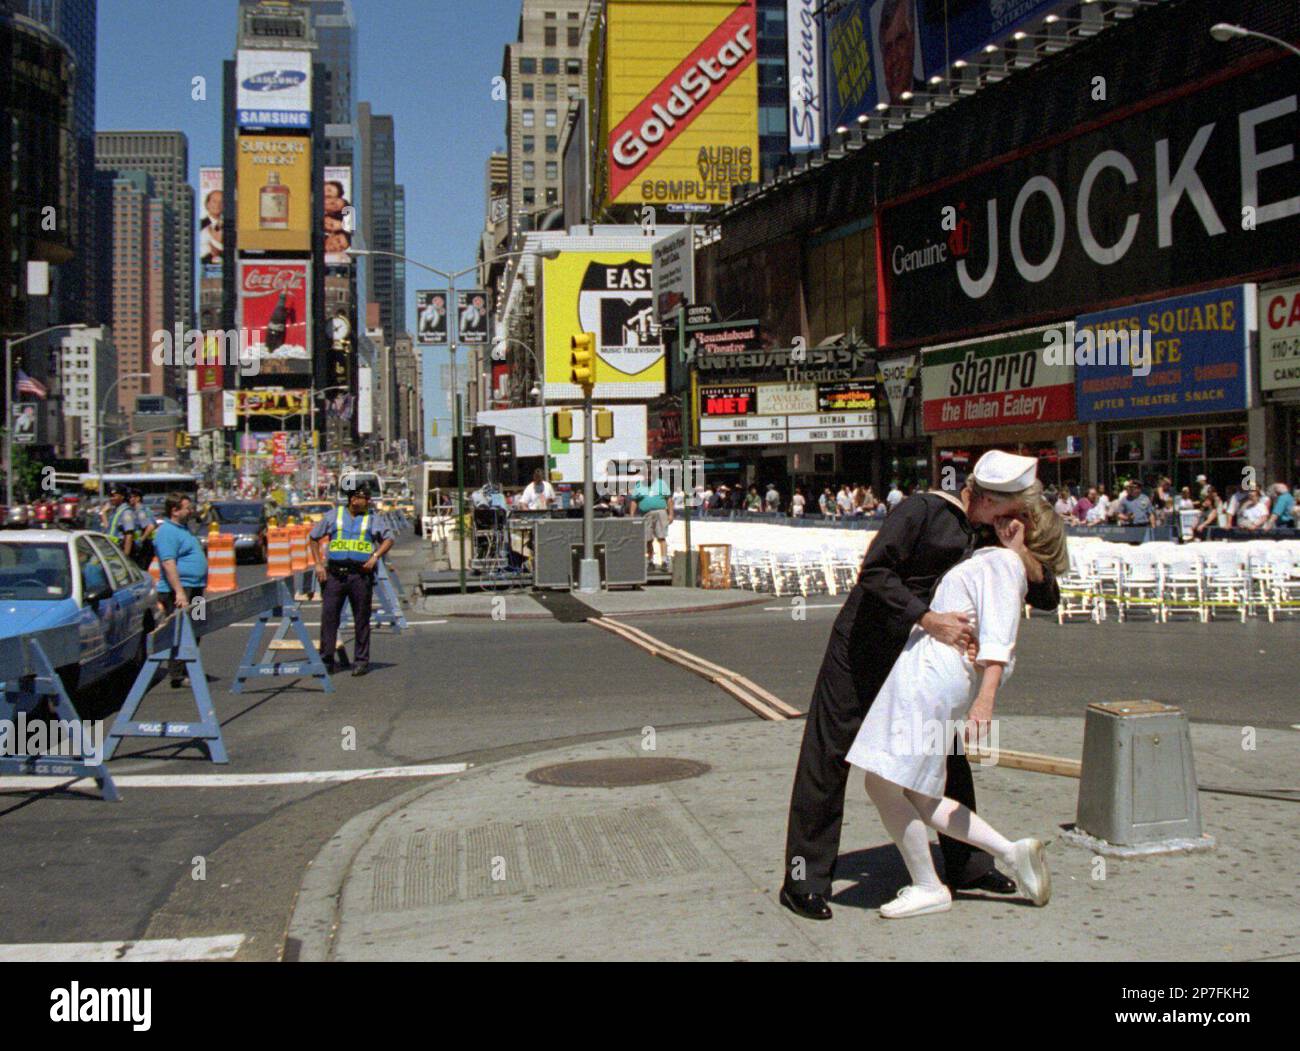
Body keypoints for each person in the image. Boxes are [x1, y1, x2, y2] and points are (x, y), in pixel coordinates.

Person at [781, 451, 1061, 922]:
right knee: (828, 758)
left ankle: (969, 866)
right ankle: (804, 878)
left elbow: (1046, 595)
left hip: (921, 665)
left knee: (950, 760)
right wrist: (928, 619)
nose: (1010, 519)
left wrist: (1020, 550)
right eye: (1005, 510)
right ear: (985, 496)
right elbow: (874, 573)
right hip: (864, 650)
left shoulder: (991, 532)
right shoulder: (920, 510)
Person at [846, 500, 1065, 918]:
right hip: (930, 675)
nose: (1005, 517)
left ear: (1029, 532)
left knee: (883, 784)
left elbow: (1000, 639)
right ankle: (1011, 852)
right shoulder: (997, 560)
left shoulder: (1003, 563)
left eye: (1017, 517)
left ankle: (929, 884)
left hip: (930, 678)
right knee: (918, 793)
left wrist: (985, 702)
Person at [310, 484, 394, 678]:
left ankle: (361, 661)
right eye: (365, 499)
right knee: (329, 618)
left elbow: (388, 539)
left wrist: (375, 556)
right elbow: (314, 537)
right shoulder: (334, 516)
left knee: (361, 619)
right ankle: (326, 660)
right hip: (335, 575)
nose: (368, 502)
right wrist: (318, 564)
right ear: (353, 499)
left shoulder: (372, 519)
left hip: (360, 576)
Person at [154, 493, 209, 690]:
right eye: (187, 507)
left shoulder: (184, 529)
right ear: (174, 510)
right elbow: (169, 563)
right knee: (181, 631)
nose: (191, 510)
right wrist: (179, 592)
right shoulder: (167, 532)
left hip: (196, 588)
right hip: (180, 591)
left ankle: (190, 668)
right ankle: (177, 674)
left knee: (198, 627)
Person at [630, 472, 673, 569]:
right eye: (647, 474)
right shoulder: (638, 485)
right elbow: (634, 501)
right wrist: (632, 515)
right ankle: (650, 561)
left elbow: (669, 500)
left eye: (650, 474)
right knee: (648, 538)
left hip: (660, 512)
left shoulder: (661, 483)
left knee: (661, 536)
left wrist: (671, 514)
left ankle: (664, 560)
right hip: (646, 514)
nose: (648, 476)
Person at [103, 485, 137, 559]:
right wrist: (104, 514)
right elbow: (108, 529)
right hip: (113, 550)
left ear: (122, 497)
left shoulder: (126, 512)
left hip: (120, 551)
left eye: (114, 496)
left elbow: (129, 535)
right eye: (110, 496)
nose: (111, 498)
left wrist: (125, 557)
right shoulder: (116, 511)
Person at [127, 489, 157, 569]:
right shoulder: (141, 510)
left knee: (140, 569)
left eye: (131, 497)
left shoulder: (140, 511)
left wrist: (140, 540)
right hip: (145, 545)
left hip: (144, 546)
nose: (129, 499)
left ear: (138, 498)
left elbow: (150, 526)